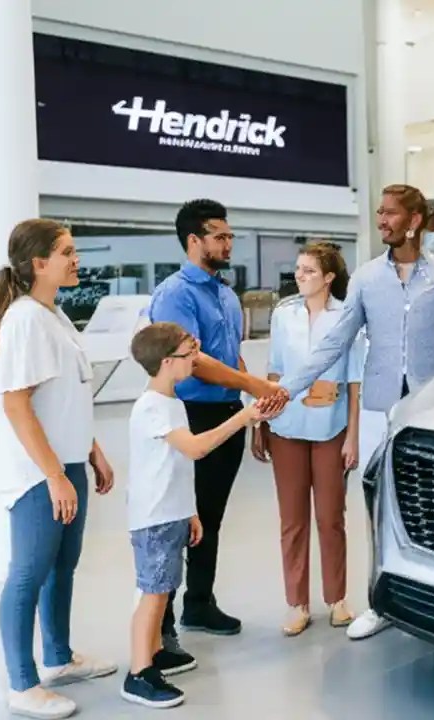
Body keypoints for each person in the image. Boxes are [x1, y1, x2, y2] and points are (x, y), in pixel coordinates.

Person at [278, 184, 434, 640]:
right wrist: (288, 388)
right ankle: (380, 602)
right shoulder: (367, 278)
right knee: (378, 507)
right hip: (377, 410)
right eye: (379, 212)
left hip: (431, 410)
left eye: (389, 213)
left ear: (414, 221)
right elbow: (335, 342)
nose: (381, 220)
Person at [0, 219, 118, 719]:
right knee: (28, 573)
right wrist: (55, 475)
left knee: (63, 566)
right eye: (66, 252)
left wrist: (91, 450)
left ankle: (58, 659)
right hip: (41, 473)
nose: (75, 259)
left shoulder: (54, 315)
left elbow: (67, 395)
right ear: (39, 263)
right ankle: (22, 683)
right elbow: (17, 405)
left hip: (68, 462)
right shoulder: (24, 320)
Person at [148, 199, 288, 650]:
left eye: (230, 235)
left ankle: (199, 603)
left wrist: (251, 404)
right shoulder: (175, 293)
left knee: (210, 516)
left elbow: (230, 355)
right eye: (220, 236)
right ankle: (161, 624)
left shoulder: (226, 293)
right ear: (195, 240)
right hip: (190, 416)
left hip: (228, 412)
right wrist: (254, 384)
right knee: (176, 519)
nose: (229, 243)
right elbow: (197, 362)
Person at [121, 322, 274, 708]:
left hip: (171, 513)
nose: (197, 361)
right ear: (168, 361)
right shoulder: (153, 407)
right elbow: (195, 450)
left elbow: (176, 466)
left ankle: (156, 652)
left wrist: (189, 512)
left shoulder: (171, 402)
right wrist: (244, 417)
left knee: (163, 588)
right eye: (191, 354)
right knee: (154, 594)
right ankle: (139, 672)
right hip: (154, 518)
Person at [251, 243, 363, 637]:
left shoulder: (347, 316)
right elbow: (274, 372)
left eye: (309, 271)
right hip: (286, 427)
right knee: (292, 520)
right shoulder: (284, 315)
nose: (300, 276)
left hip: (331, 428)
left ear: (329, 277)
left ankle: (337, 599)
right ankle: (296, 602)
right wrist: (259, 424)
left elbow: (354, 381)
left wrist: (353, 435)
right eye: (298, 269)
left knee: (331, 518)